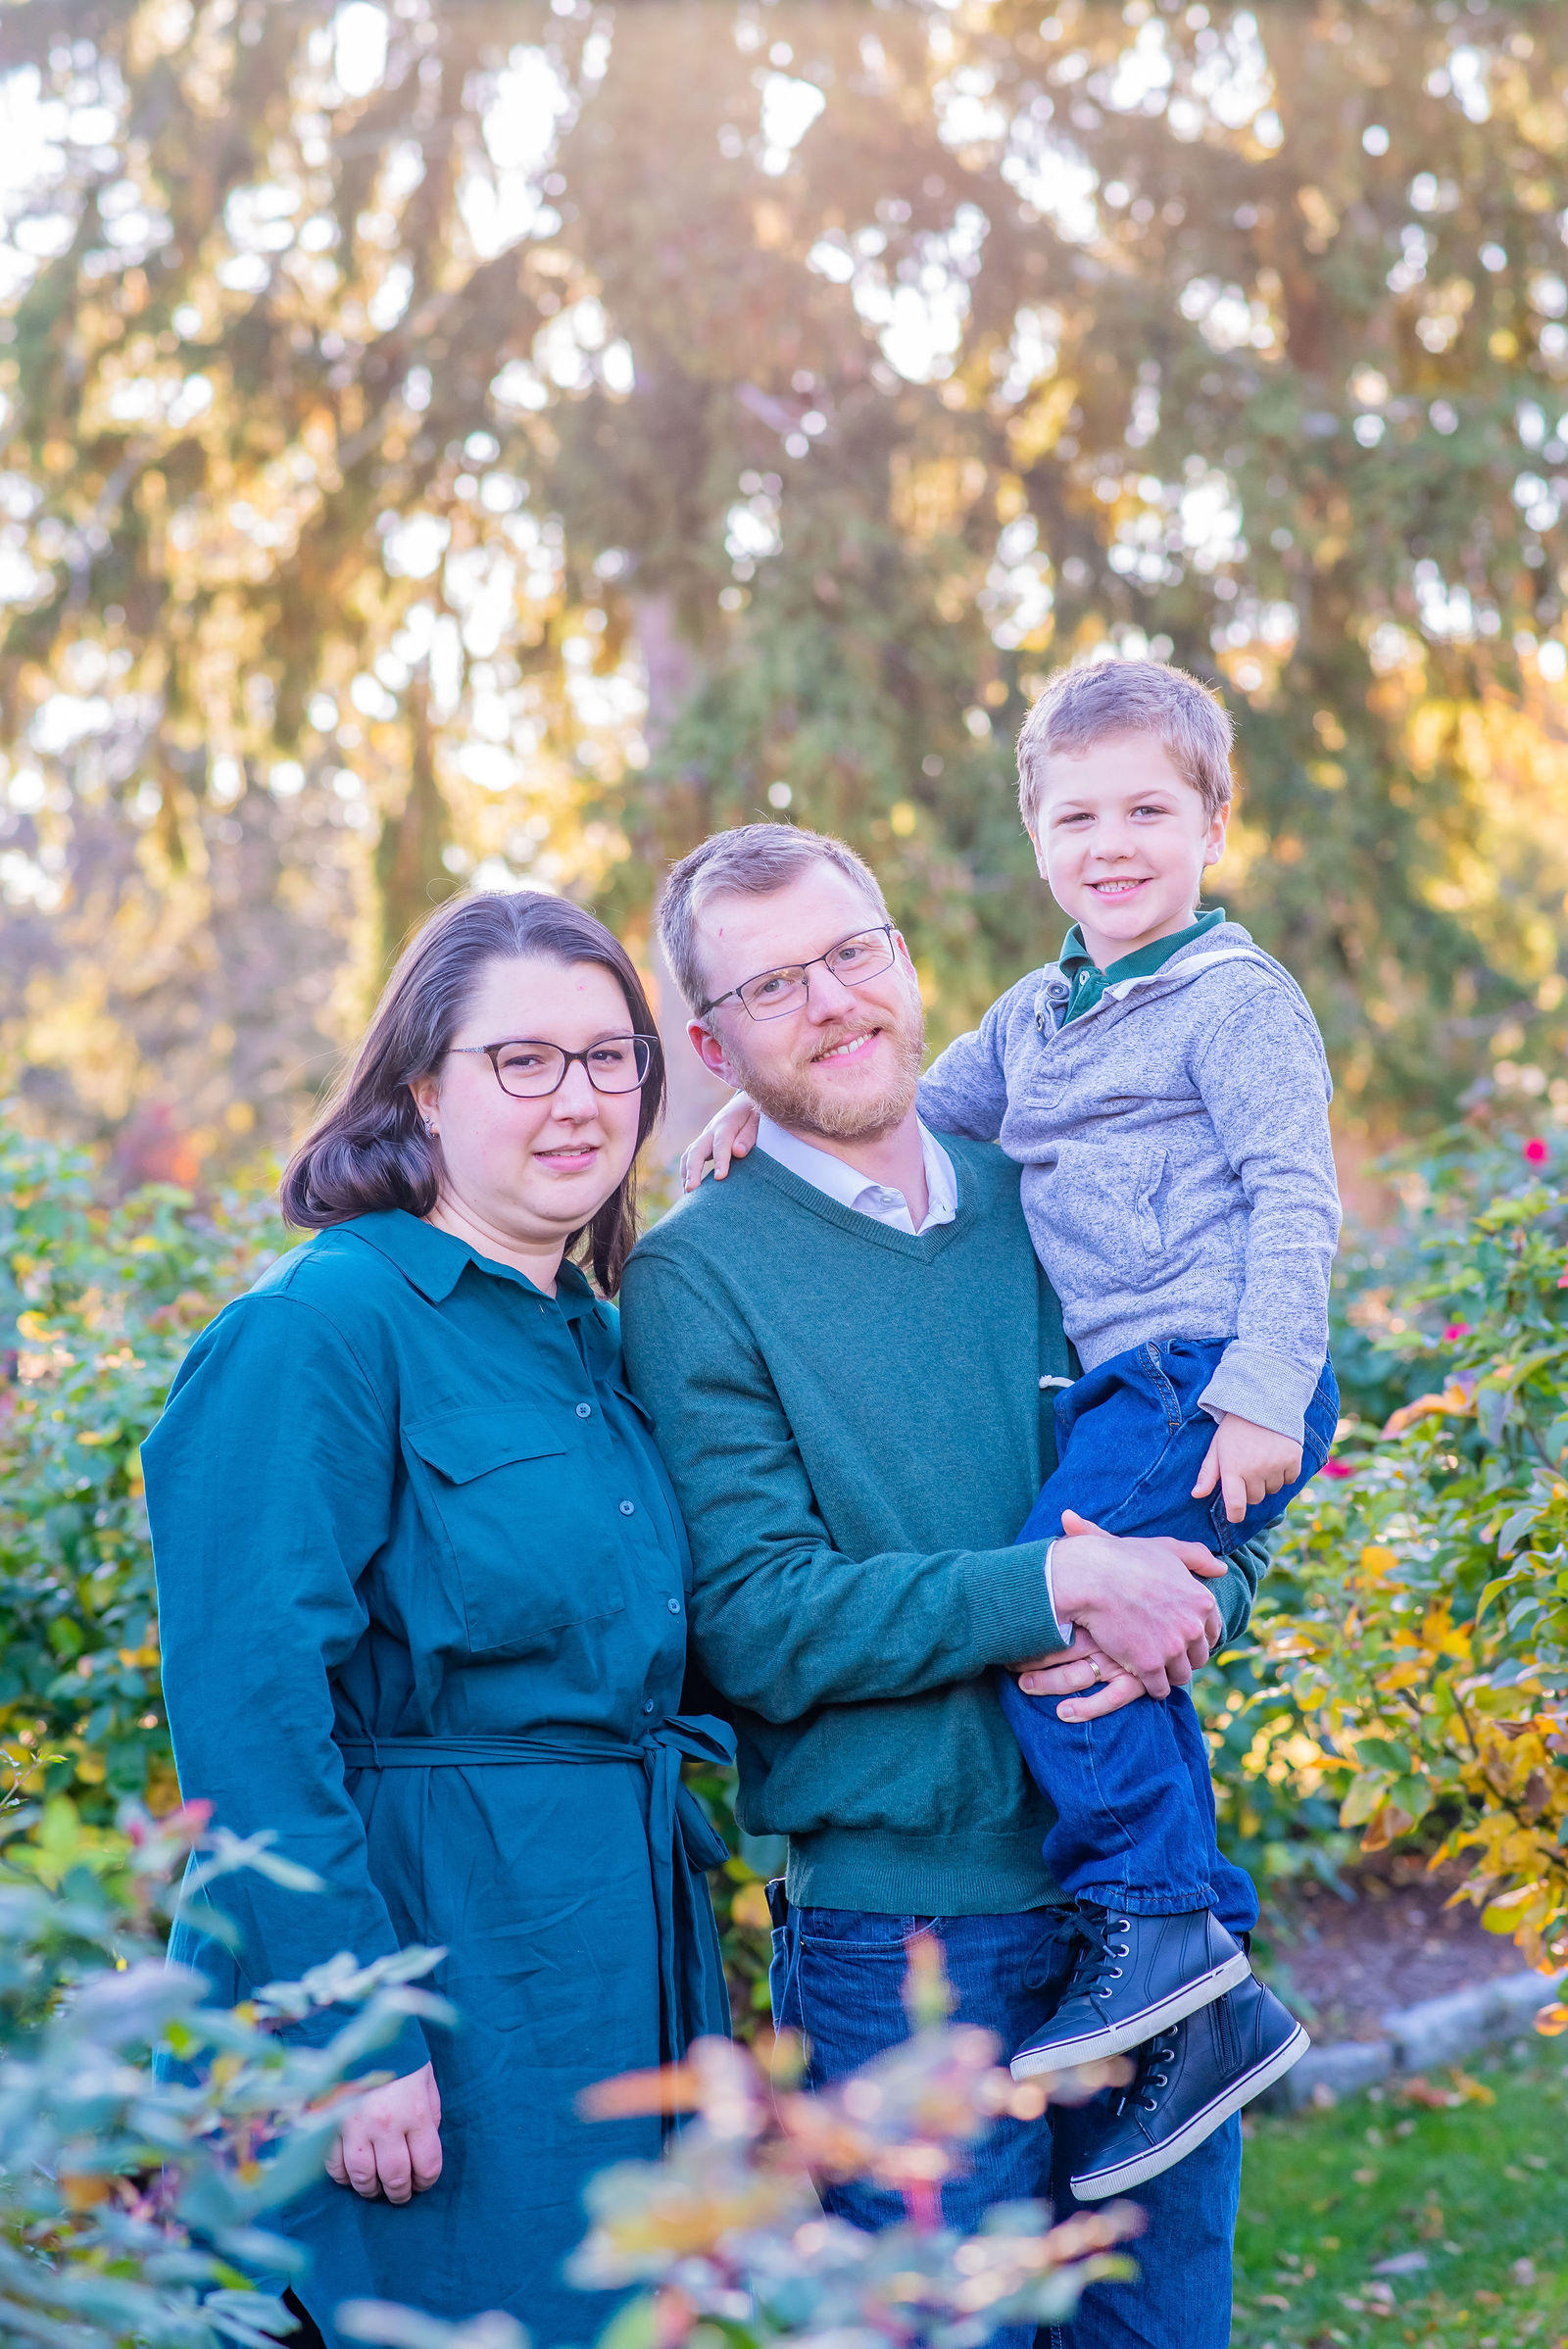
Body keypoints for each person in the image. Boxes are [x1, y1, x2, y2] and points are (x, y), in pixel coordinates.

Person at [618, 823, 1298, 2349]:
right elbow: (756, 1622)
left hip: (1148, 1897)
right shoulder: (696, 1276)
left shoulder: (1043, 1186)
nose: (835, 1000)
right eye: (775, 982)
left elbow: (1200, 1434)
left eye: (854, 951)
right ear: (714, 1039)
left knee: (1162, 2327)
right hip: (905, 1940)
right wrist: (1060, 1584)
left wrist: (1206, 1601)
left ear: (907, 960)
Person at [680, 663, 1336, 2175]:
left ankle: (1169, 1928)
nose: (1114, 842)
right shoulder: (1039, 1022)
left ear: (1216, 825)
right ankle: (1175, 1940)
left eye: (1150, 810)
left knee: (1064, 1623)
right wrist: (750, 1122)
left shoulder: (1233, 1004)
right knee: (1066, 1605)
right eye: (1078, 813)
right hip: (901, 1926)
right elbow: (943, 1102)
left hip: (1200, 1368)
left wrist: (1248, 1415)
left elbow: (1300, 1198)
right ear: (1034, 834)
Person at [143, 891, 730, 2349]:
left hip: (604, 1955)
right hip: (429, 1960)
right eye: (522, 1061)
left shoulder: (584, 1333)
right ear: (421, 1087)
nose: (579, 1099)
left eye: (612, 1060)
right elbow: (248, 1709)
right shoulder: (322, 1325)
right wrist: (348, 2033)